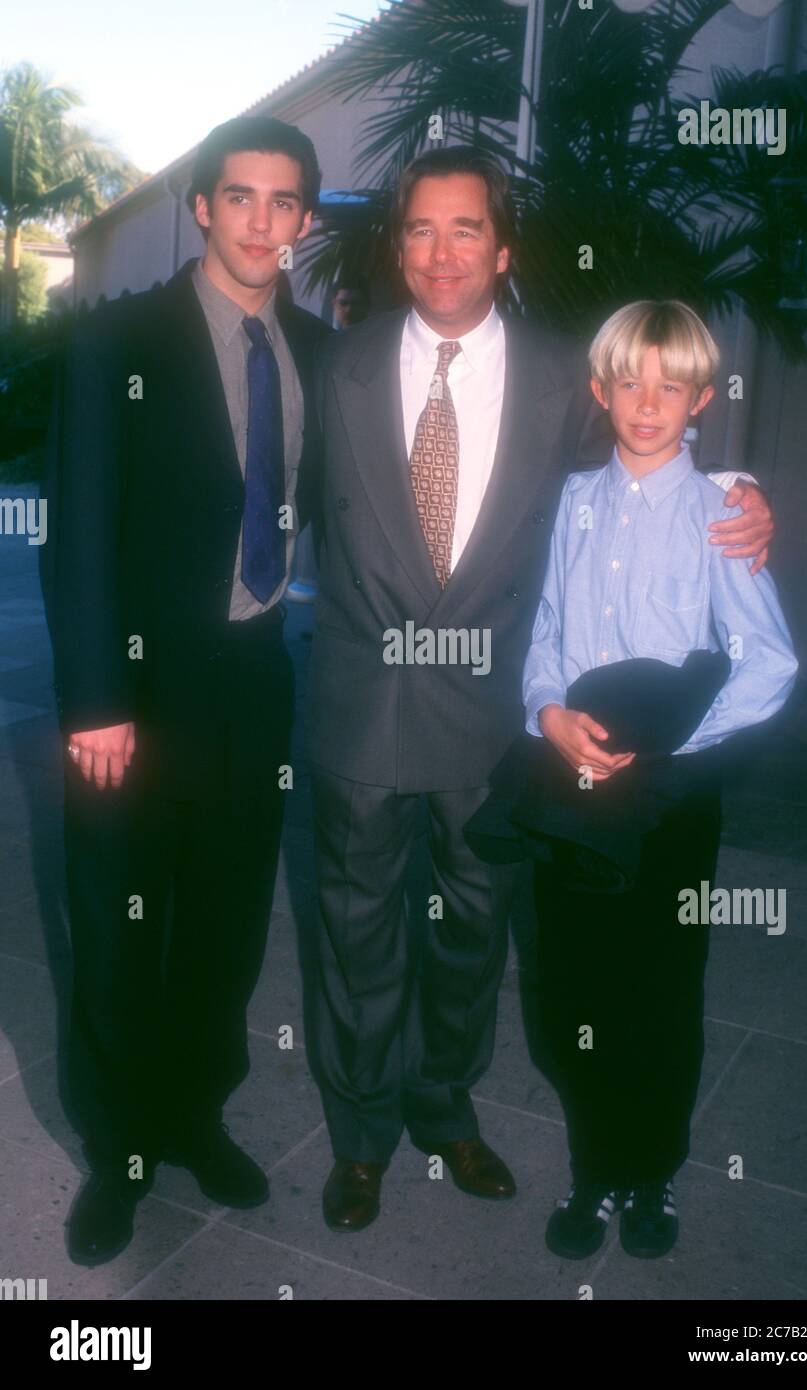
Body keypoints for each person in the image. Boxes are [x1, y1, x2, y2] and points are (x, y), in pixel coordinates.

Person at [307, 147, 775, 1233]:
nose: (440, 252)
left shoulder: (569, 372)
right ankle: (361, 1136)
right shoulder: (337, 364)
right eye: (420, 228)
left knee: (475, 931)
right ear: (397, 243)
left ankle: (444, 1107)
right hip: (359, 707)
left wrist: (743, 496)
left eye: (466, 228)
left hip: (495, 719)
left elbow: (649, 453)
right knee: (356, 934)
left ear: (503, 248)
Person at [40, 115, 329, 1266]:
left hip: (252, 680)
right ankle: (119, 1153)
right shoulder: (118, 343)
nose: (263, 221)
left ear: (305, 220)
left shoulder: (321, 350)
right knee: (118, 927)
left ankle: (194, 1113)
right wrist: (95, 696)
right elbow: (79, 534)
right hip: (134, 695)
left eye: (285, 202)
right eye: (241, 198)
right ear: (201, 206)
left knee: (221, 922)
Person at [522, 300, 798, 1261]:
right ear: (600, 392)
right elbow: (543, 632)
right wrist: (548, 713)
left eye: (668, 386)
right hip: (570, 784)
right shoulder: (567, 503)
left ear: (700, 400)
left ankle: (649, 1173)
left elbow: (769, 662)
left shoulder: (720, 509)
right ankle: (592, 1170)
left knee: (658, 991)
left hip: (669, 797)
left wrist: (681, 756)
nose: (647, 403)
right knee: (570, 993)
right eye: (628, 383)